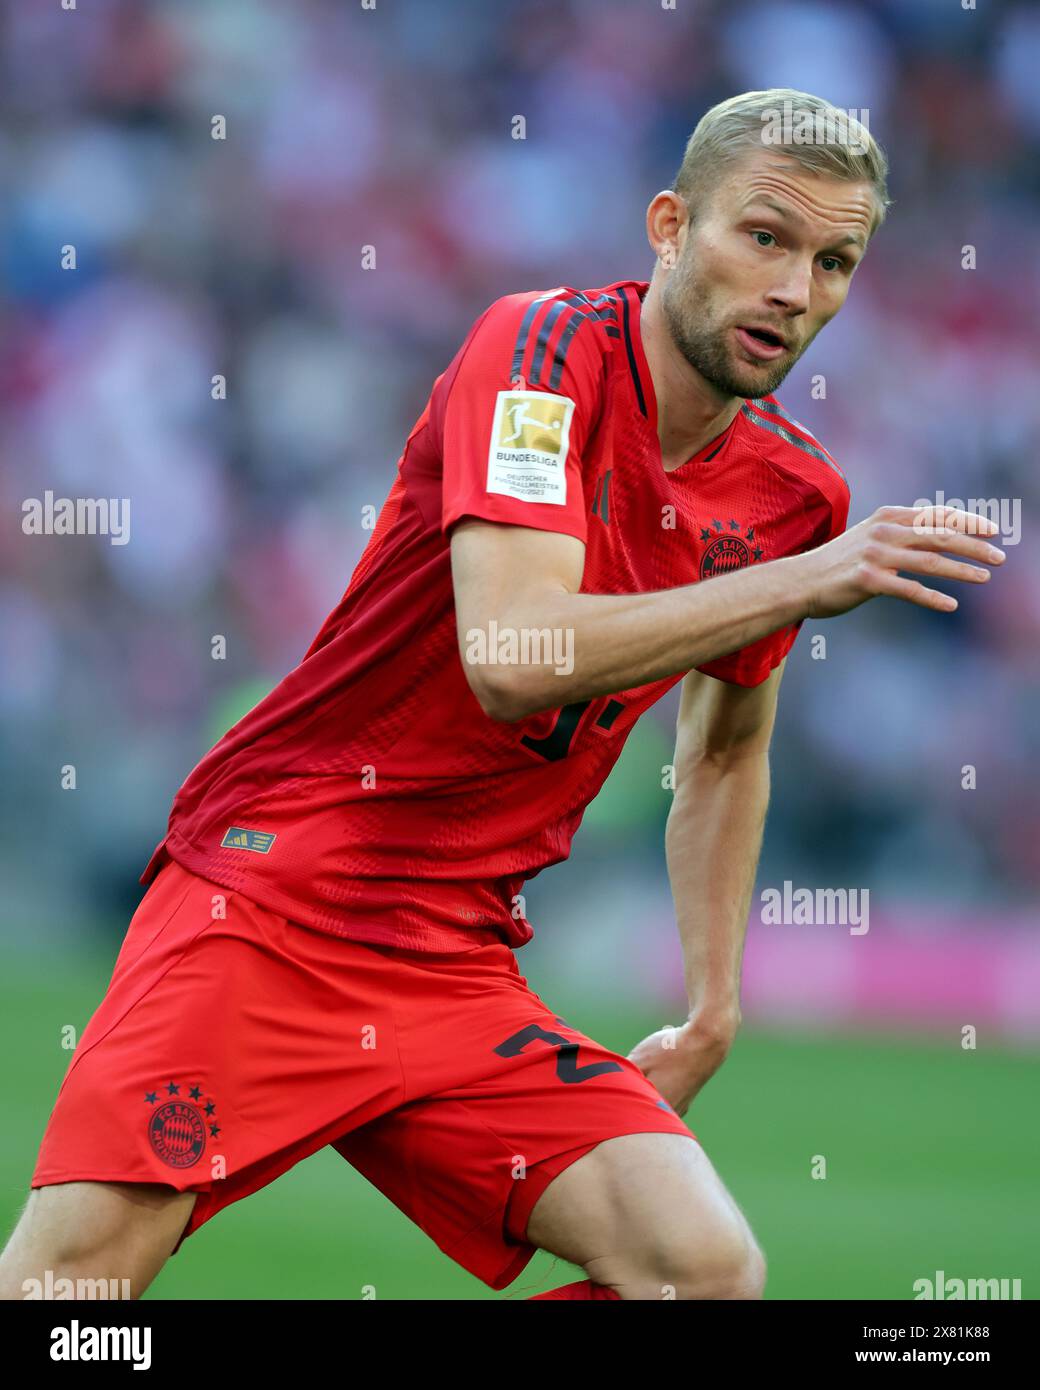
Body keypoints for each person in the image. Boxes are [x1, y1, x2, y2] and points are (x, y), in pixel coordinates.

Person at [1, 88, 1004, 1301]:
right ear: (668, 224)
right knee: (71, 1298)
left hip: (451, 959)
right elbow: (513, 654)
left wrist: (712, 1002)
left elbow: (727, 753)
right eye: (764, 237)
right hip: (275, 894)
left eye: (834, 260)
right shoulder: (538, 354)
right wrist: (802, 582)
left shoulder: (791, 495)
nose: (796, 288)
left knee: (698, 1272)